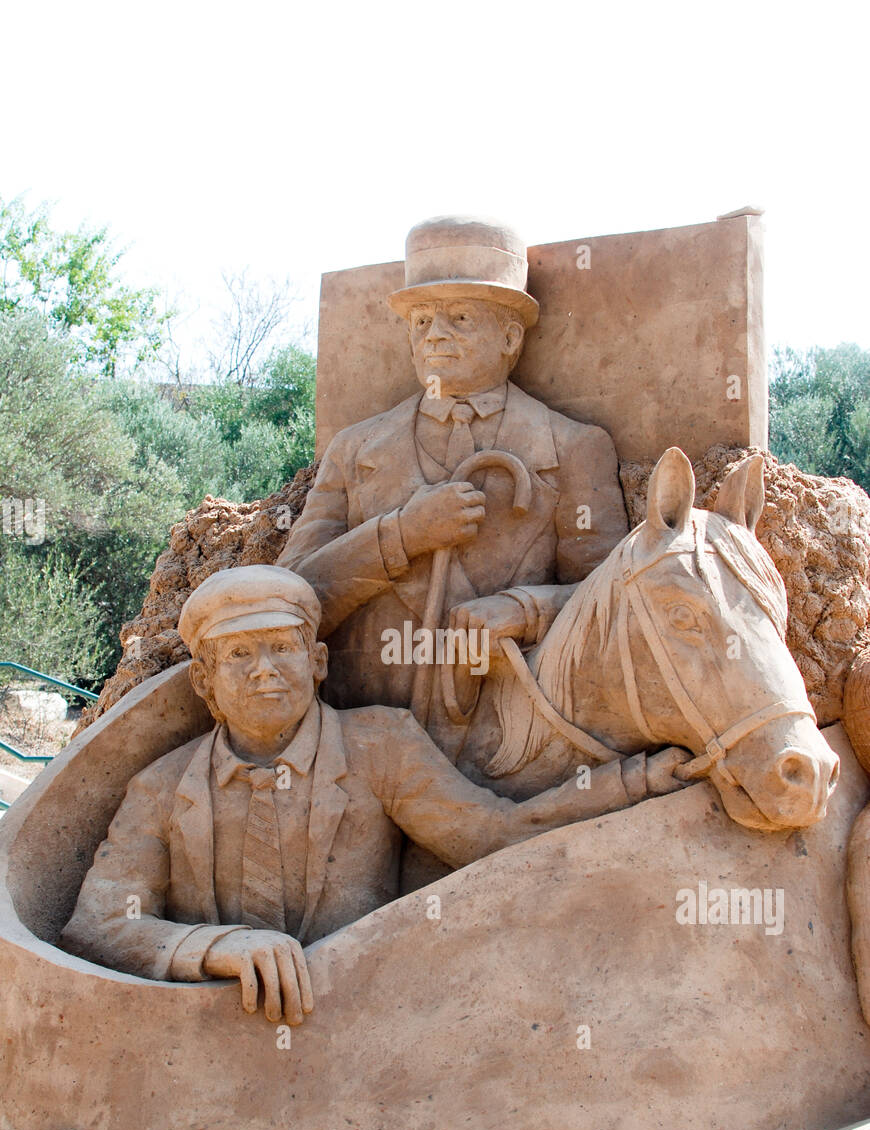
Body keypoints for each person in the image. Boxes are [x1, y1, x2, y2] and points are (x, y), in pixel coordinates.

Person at [61, 567, 688, 1029]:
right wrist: (217, 948)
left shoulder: (380, 746)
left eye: (281, 648)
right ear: (204, 681)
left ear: (318, 662)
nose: (263, 670)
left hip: (366, 1036)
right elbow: (98, 925)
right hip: (207, 1047)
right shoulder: (162, 787)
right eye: (239, 655)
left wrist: (630, 783)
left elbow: (496, 837)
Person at [277, 215, 629, 759]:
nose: (435, 334)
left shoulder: (575, 447)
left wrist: (523, 610)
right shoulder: (354, 449)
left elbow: (611, 601)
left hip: (509, 748)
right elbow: (294, 599)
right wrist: (400, 535)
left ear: (511, 336)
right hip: (365, 745)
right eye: (421, 320)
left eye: (460, 317)